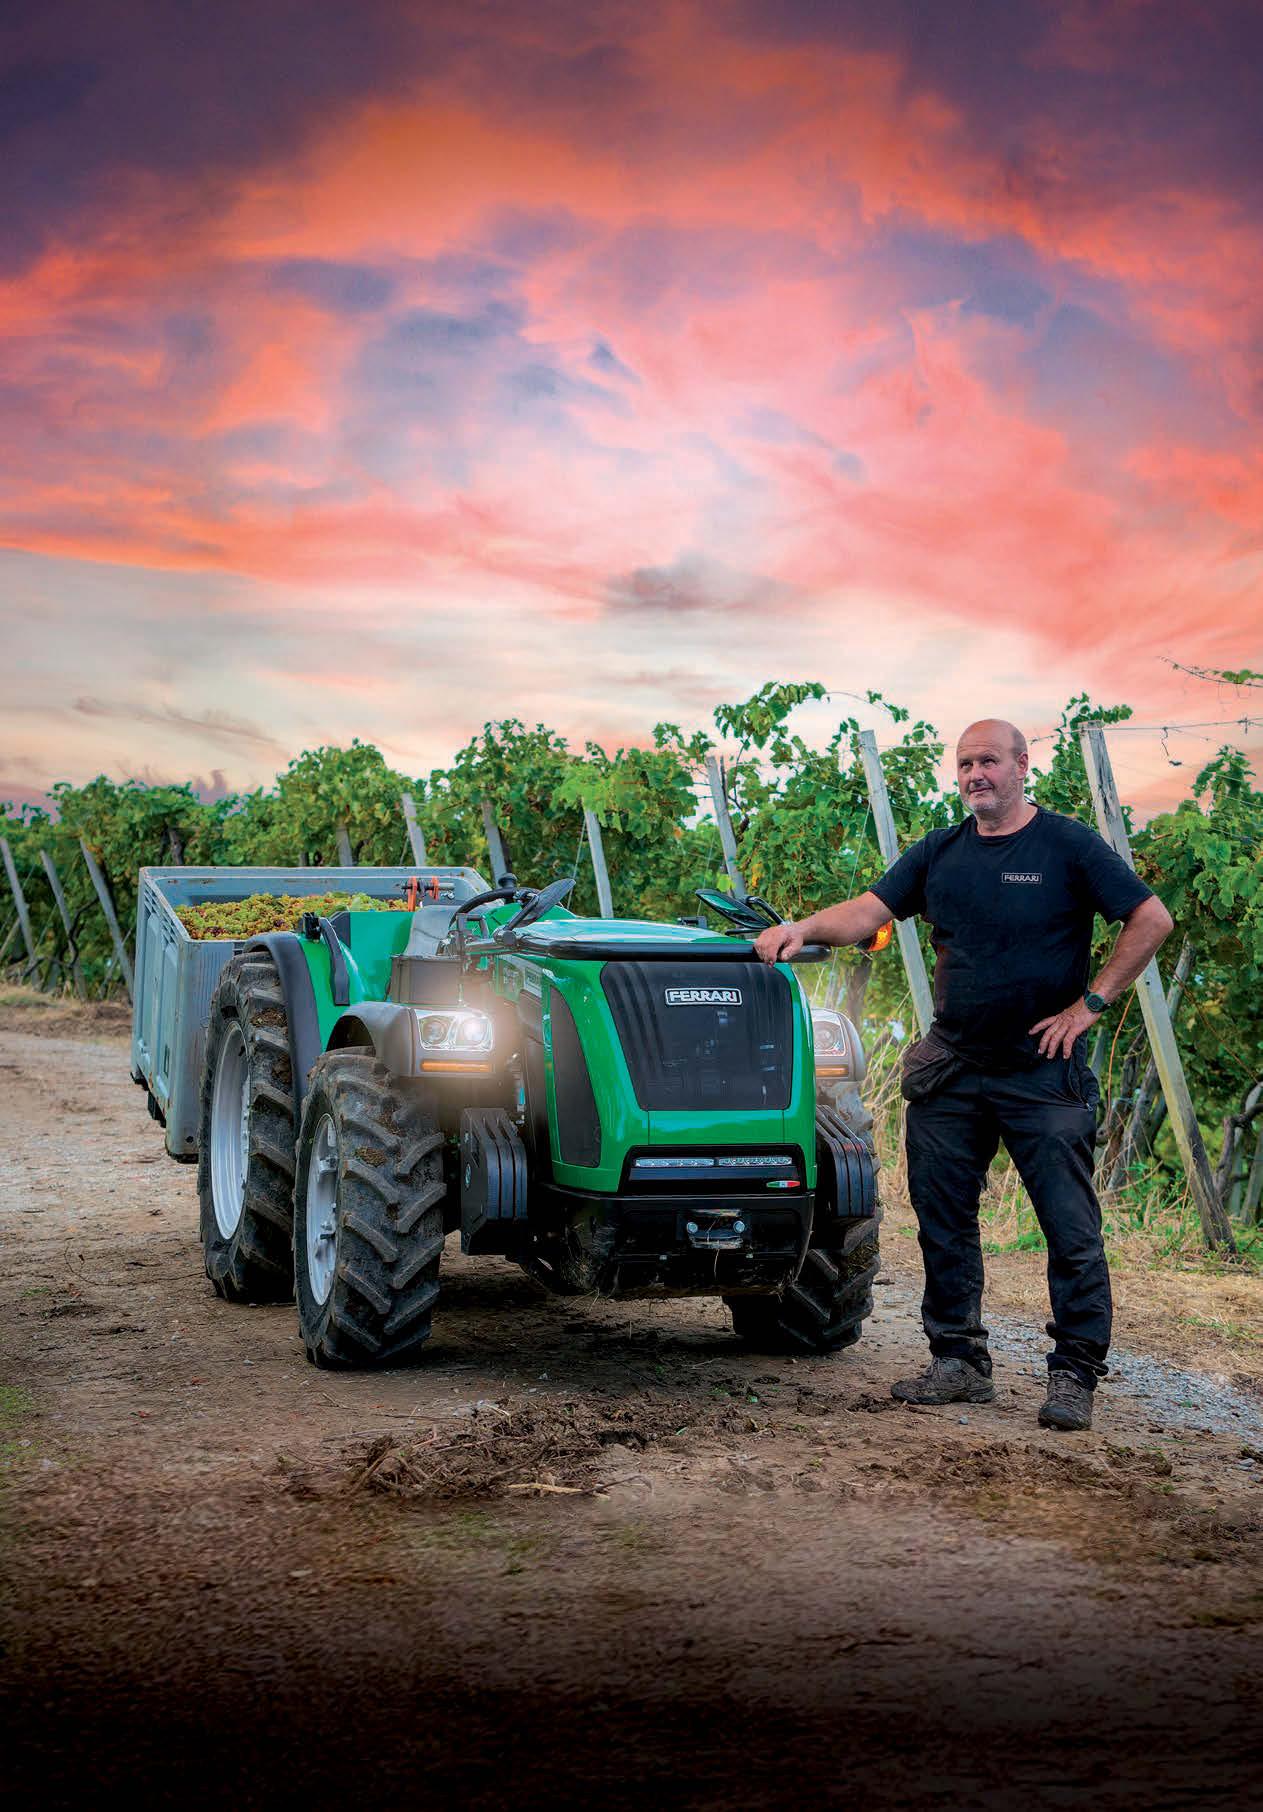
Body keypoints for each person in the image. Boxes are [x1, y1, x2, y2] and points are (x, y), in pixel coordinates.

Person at [754, 719, 1173, 1431]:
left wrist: (1089, 1005)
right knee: (944, 1222)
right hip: (952, 1069)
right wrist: (799, 929)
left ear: (1020, 765)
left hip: (1042, 1070)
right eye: (964, 764)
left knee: (1069, 1229)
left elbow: (1149, 918)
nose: (975, 773)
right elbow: (866, 911)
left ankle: (1073, 1372)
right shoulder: (940, 853)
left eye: (988, 761)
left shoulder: (1066, 845)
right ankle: (957, 1361)